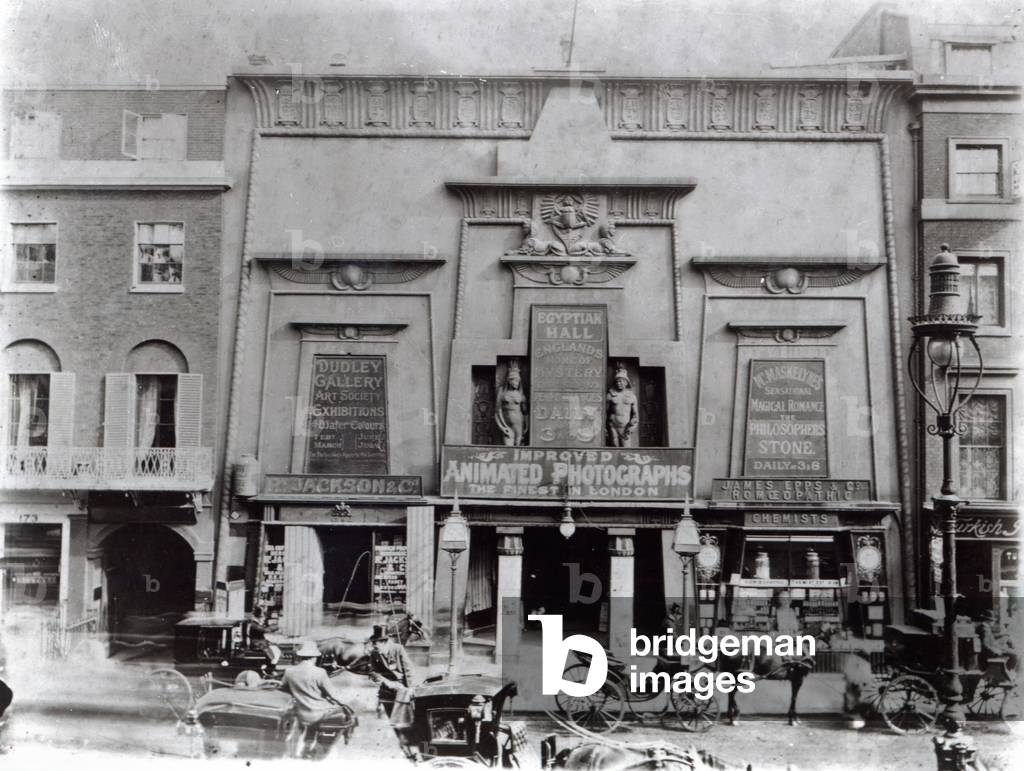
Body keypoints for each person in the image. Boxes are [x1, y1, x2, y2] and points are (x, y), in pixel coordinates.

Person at [279, 640, 350, 757]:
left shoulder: (289, 671)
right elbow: (333, 695)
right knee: (341, 714)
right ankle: (320, 747)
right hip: (318, 713)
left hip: (300, 713)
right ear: (314, 658)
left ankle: (307, 745)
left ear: (301, 657)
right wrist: (345, 703)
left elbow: (283, 689)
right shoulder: (320, 672)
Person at [367, 624, 414, 717]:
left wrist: (408, 688)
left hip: (402, 686)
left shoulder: (398, 649)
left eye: (375, 643)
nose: (373, 646)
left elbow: (408, 669)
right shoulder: (374, 653)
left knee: (404, 716)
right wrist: (382, 680)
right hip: (386, 689)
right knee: (391, 715)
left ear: (383, 642)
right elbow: (372, 671)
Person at [495, 362, 527, 446]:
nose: (516, 383)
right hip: (506, 422)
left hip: (518, 422)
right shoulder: (502, 392)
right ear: (509, 381)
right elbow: (498, 411)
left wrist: (527, 425)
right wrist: (502, 427)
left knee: (518, 444)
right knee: (508, 445)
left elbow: (525, 412)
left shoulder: (521, 395)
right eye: (514, 380)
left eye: (517, 381)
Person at [977, 609, 1017, 673]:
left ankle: (1008, 670)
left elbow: (990, 637)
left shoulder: (985, 627)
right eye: (993, 621)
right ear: (988, 621)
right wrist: (996, 651)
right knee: (1014, 655)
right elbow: (985, 645)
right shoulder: (985, 629)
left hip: (992, 647)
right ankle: (1008, 671)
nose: (993, 623)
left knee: (1006, 637)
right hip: (990, 652)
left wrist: (1001, 635)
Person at [606, 365, 638, 447]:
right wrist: (605, 428)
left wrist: (632, 427)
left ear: (626, 382)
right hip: (613, 426)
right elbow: (604, 413)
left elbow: (635, 416)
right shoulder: (610, 395)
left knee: (626, 449)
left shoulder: (631, 396)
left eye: (620, 381)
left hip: (625, 428)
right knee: (614, 448)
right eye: (617, 381)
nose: (618, 383)